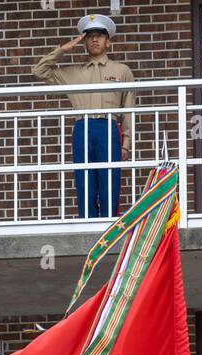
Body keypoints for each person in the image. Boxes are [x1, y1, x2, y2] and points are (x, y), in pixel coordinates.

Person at [33, 13, 135, 220]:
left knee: (110, 182)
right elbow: (38, 71)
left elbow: (129, 108)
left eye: (99, 36)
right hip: (82, 128)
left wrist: (126, 143)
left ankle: (109, 228)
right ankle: (88, 225)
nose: (95, 40)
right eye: (89, 36)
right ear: (84, 42)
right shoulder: (72, 73)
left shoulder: (122, 70)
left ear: (108, 41)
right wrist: (62, 50)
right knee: (85, 181)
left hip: (109, 127)